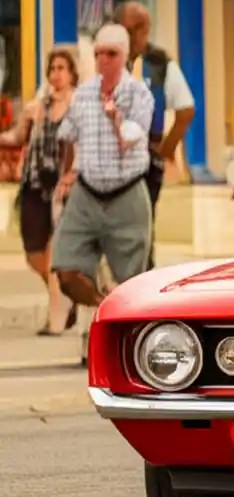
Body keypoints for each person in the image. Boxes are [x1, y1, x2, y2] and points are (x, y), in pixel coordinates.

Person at [50, 24, 155, 312]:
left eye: (111, 54)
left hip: (127, 192)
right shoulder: (83, 93)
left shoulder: (139, 94)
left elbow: (131, 140)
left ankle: (124, 329)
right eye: (98, 53)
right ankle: (102, 307)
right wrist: (66, 175)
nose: (104, 60)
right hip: (87, 191)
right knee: (65, 270)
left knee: (133, 284)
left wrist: (115, 119)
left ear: (124, 57)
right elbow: (67, 136)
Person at [0, 47, 78, 335]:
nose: (56, 74)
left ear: (71, 74)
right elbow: (18, 136)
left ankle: (56, 316)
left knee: (54, 251)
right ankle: (68, 296)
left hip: (62, 188)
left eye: (61, 68)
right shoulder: (37, 106)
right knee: (34, 254)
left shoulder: (78, 105)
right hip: (33, 184)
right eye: (53, 69)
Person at [114, 1, 196, 270]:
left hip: (147, 156)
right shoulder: (107, 57)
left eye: (143, 29)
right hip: (110, 156)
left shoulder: (159, 63)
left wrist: (165, 151)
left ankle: (140, 280)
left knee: (142, 226)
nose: (139, 35)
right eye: (133, 28)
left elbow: (186, 110)